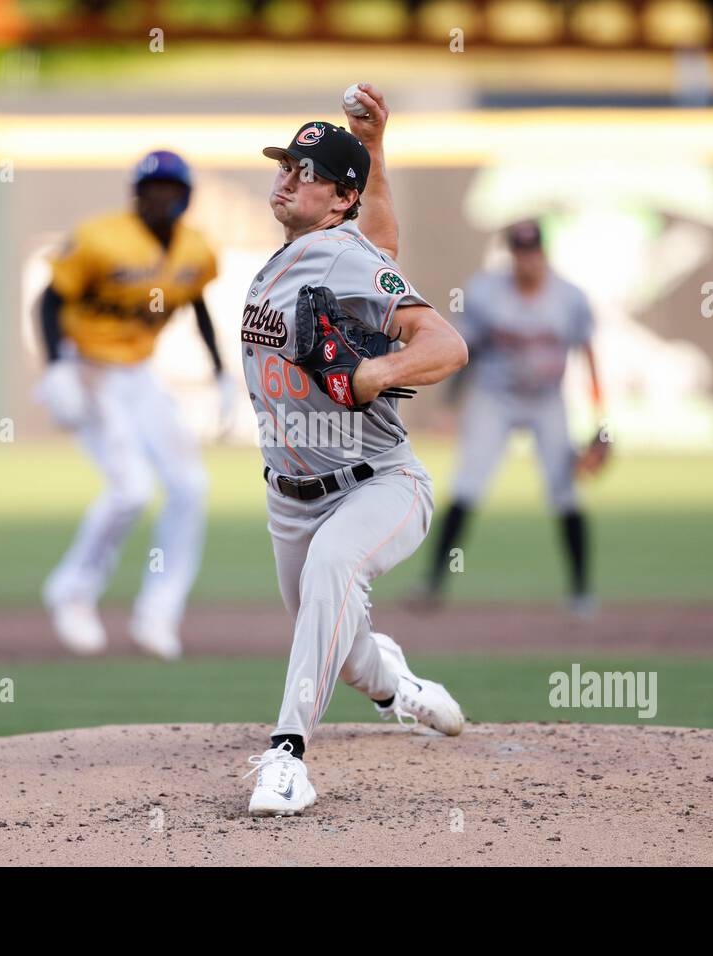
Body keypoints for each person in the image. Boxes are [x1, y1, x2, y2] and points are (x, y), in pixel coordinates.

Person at [238, 84, 469, 817]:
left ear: (339, 198)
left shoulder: (337, 256)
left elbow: (447, 342)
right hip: (290, 496)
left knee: (336, 569)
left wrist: (378, 371)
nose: (285, 178)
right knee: (341, 646)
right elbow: (387, 246)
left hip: (380, 484)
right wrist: (371, 150)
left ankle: (287, 758)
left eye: (303, 172)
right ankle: (396, 686)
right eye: (283, 166)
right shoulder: (297, 258)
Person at [33, 150, 234, 659]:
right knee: (131, 490)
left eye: (169, 189)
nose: (160, 198)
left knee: (190, 485)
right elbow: (51, 299)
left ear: (185, 195)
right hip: (89, 366)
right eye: (151, 189)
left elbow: (197, 304)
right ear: (135, 194)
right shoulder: (101, 237)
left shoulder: (196, 249)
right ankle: (73, 593)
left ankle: (159, 613)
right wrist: (56, 363)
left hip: (139, 373)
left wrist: (220, 371)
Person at [419, 219, 604, 616]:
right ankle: (433, 584)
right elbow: (464, 352)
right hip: (494, 397)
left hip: (546, 400)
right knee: (467, 485)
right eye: (520, 253)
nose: (527, 261)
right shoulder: (486, 293)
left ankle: (581, 592)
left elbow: (588, 355)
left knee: (565, 491)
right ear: (512, 256)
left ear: (544, 254)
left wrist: (599, 421)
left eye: (533, 252)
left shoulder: (569, 297)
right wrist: (450, 406)